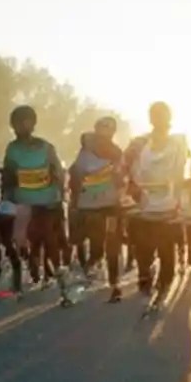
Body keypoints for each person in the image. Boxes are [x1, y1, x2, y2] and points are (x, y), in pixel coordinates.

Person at [2, 105, 72, 305]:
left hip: (48, 202)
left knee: (53, 244)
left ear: (33, 123)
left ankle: (64, 289)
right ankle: (21, 280)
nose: (22, 126)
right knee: (20, 240)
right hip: (23, 203)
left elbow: (57, 172)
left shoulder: (46, 147)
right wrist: (6, 198)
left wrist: (60, 196)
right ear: (13, 126)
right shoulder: (12, 149)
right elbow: (8, 175)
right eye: (18, 123)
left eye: (26, 122)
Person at [124, 101, 189, 312]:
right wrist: (130, 188)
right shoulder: (138, 143)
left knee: (167, 258)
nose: (159, 119)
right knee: (143, 253)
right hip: (143, 207)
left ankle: (161, 293)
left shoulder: (179, 142)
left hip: (168, 208)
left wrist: (179, 201)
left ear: (169, 117)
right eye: (155, 115)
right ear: (150, 118)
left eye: (163, 115)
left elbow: (180, 173)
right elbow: (125, 168)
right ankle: (145, 283)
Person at [69, 117, 125, 302]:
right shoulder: (84, 152)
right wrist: (75, 201)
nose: (106, 134)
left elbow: (122, 177)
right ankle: (88, 269)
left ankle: (114, 284)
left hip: (112, 206)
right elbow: (75, 174)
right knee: (97, 247)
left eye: (110, 130)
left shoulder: (117, 153)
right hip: (90, 206)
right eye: (102, 129)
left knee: (113, 245)